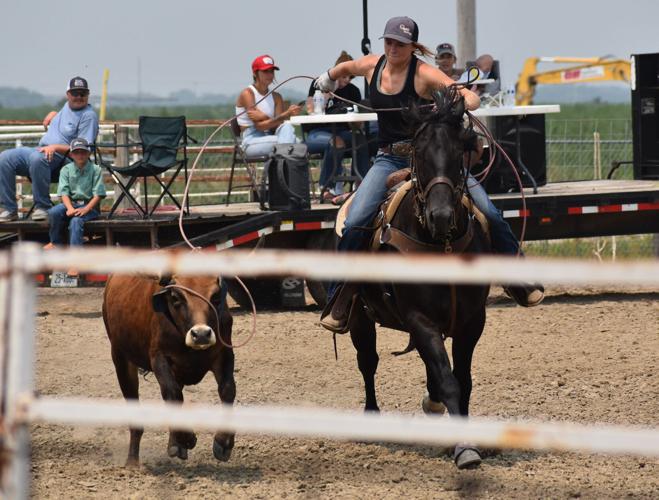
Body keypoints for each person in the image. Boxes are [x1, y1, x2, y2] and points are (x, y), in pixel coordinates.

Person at [315, 16, 544, 333]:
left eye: (400, 43)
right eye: (389, 42)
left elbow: (469, 96)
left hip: (430, 160)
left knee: (489, 212)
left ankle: (516, 276)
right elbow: (345, 69)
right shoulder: (372, 65)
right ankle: (340, 297)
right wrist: (327, 78)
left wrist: (463, 101)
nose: (393, 48)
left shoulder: (423, 73)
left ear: (412, 47)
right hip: (388, 159)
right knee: (355, 222)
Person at [0, 76, 99, 222]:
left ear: (88, 95)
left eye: (83, 93)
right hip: (41, 150)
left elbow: (84, 149)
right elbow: (65, 120)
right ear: (68, 95)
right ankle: (9, 208)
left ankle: (43, 207)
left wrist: (55, 147)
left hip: (64, 159)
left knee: (38, 158)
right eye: (75, 93)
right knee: (5, 158)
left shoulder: (88, 116)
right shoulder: (66, 107)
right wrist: (55, 113)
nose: (79, 97)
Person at [304, 51, 370, 202]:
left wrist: (352, 118)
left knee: (360, 139)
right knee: (337, 141)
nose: (347, 80)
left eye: (351, 77)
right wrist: (325, 98)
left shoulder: (353, 91)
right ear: (336, 71)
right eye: (344, 76)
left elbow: (357, 123)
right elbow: (309, 111)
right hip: (317, 132)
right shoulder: (320, 83)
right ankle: (327, 187)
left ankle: (360, 184)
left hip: (342, 130)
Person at [45, 138, 105, 258]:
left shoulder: (96, 169)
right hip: (71, 204)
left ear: (88, 153)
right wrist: (69, 208)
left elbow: (98, 194)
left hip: (89, 206)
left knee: (76, 221)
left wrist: (86, 209)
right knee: (53, 212)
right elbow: (64, 192)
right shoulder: (66, 170)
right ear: (71, 154)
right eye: (76, 152)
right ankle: (56, 243)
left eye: (83, 152)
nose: (80, 155)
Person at [235, 55, 301, 157]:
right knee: (297, 144)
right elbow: (260, 127)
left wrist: (264, 117)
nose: (270, 75)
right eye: (265, 71)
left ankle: (281, 166)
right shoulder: (248, 94)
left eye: (272, 71)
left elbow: (277, 126)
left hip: (271, 136)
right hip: (251, 140)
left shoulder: (277, 97)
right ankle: (283, 167)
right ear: (255, 73)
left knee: (287, 128)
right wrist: (284, 115)